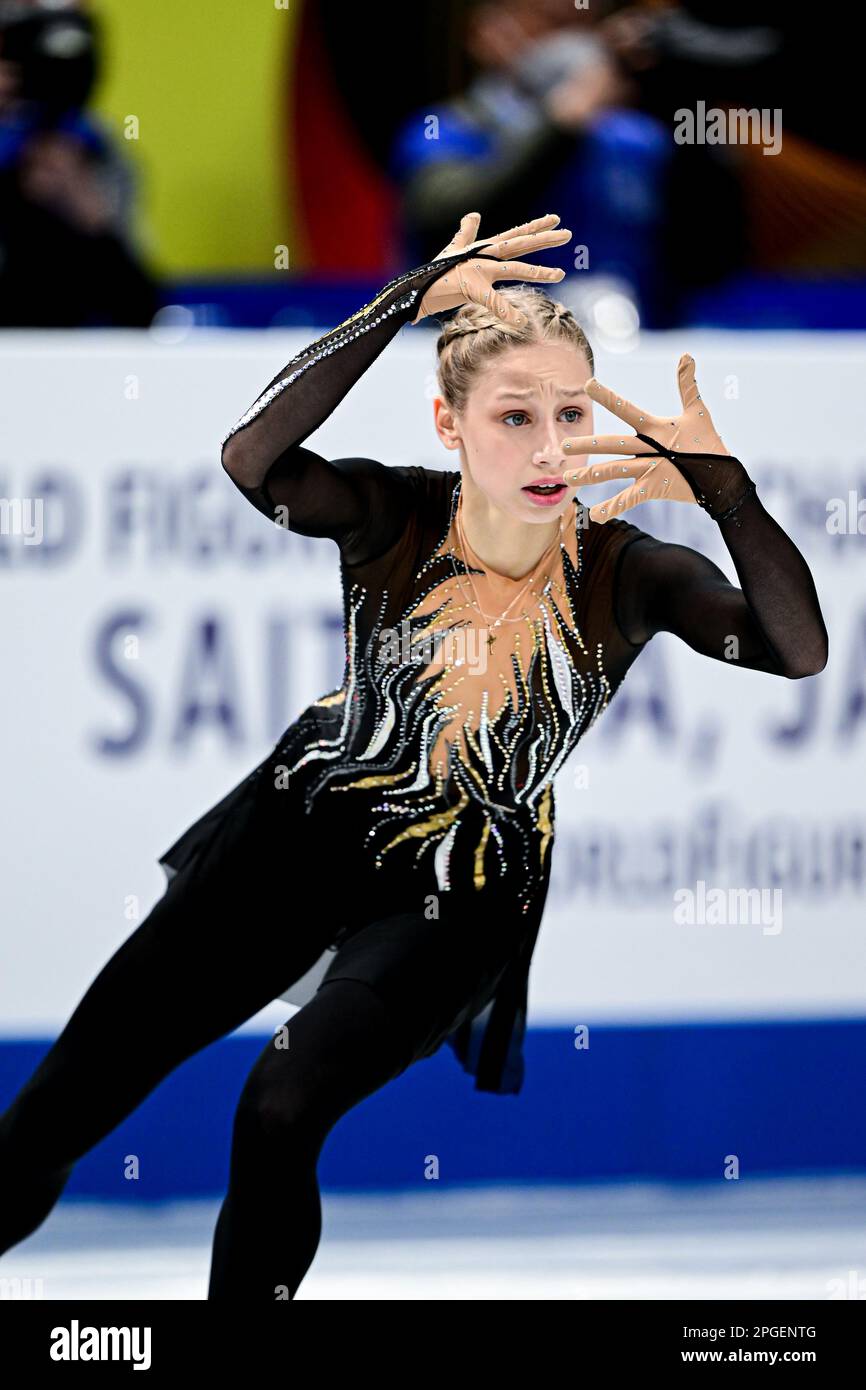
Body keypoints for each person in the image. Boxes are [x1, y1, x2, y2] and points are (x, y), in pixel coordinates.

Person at [0, 212, 828, 1300]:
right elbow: (251, 458)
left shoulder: (630, 572)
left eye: (569, 415)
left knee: (279, 1104)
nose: (547, 447)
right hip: (294, 837)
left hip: (461, 887)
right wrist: (404, 298)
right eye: (513, 416)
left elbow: (795, 650)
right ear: (448, 421)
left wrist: (726, 493)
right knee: (56, 1112)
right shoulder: (388, 510)